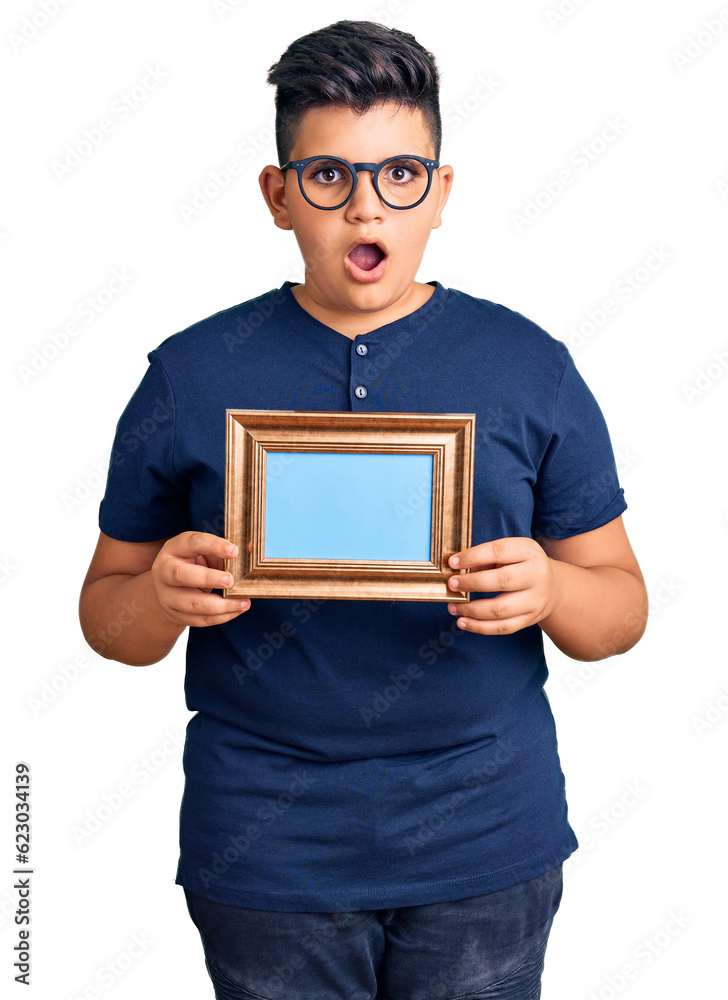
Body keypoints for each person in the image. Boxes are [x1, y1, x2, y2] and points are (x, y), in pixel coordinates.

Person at [79, 19, 647, 1000]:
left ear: (441, 193)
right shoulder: (189, 373)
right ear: (277, 195)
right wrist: (160, 598)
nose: (365, 205)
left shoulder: (529, 367)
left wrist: (554, 589)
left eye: (400, 174)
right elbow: (105, 618)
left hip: (485, 839)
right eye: (329, 175)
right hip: (264, 849)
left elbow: (621, 611)